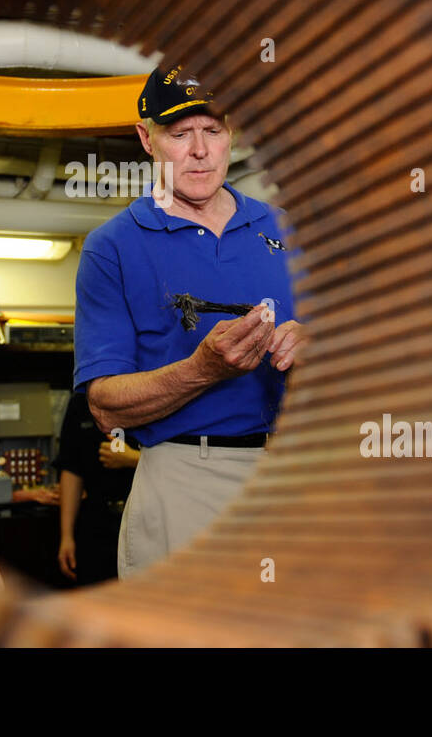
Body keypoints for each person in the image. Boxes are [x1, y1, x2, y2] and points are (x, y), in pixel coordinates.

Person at [74, 64, 306, 578]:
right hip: (183, 481)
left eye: (214, 130)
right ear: (146, 139)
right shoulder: (113, 247)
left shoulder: (285, 228)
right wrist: (203, 369)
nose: (200, 150)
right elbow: (105, 406)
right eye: (180, 134)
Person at [54, 388, 140, 585]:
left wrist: (133, 459)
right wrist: (66, 536)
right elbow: (70, 469)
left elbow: (172, 459)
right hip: (94, 522)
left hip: (138, 516)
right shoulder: (80, 401)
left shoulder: (149, 389)